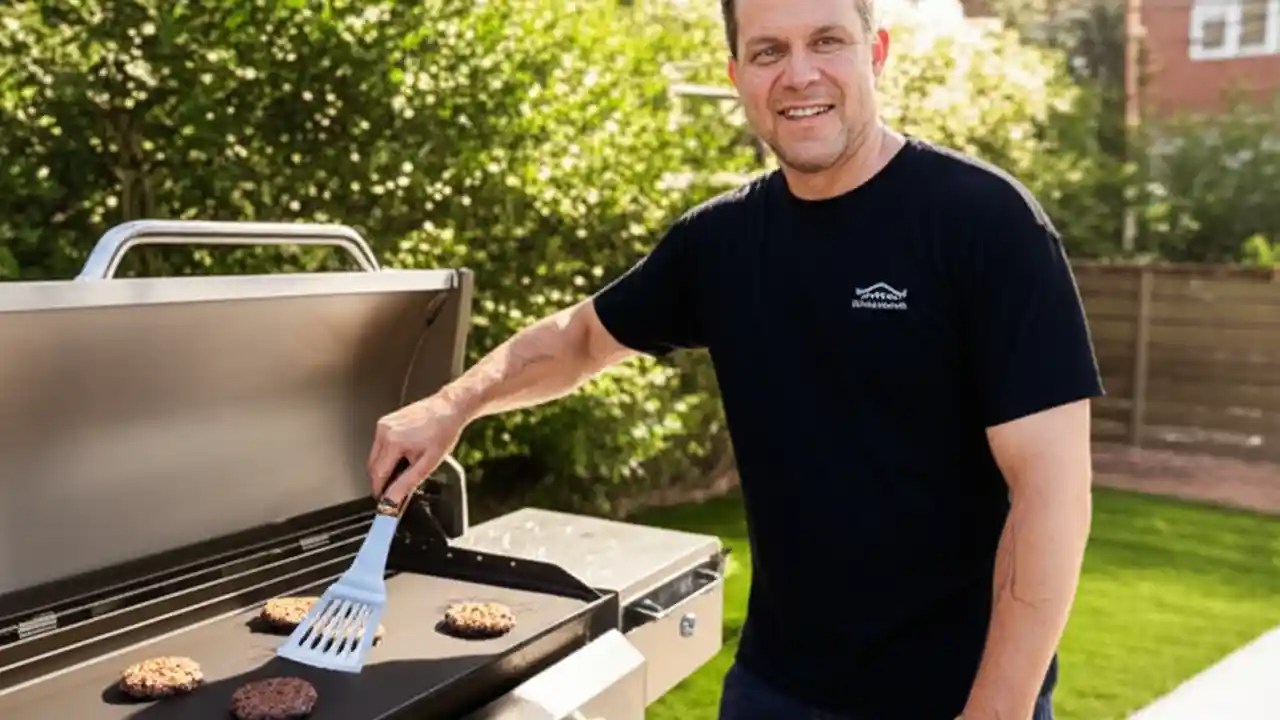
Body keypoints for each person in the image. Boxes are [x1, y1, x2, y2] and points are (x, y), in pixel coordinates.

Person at [366, 0, 1103, 717]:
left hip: (954, 696)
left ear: (875, 53)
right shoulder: (719, 243)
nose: (799, 74)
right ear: (737, 74)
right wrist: (453, 404)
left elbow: (1052, 492)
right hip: (774, 688)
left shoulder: (985, 223)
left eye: (827, 41)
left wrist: (997, 708)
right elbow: (581, 339)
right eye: (768, 51)